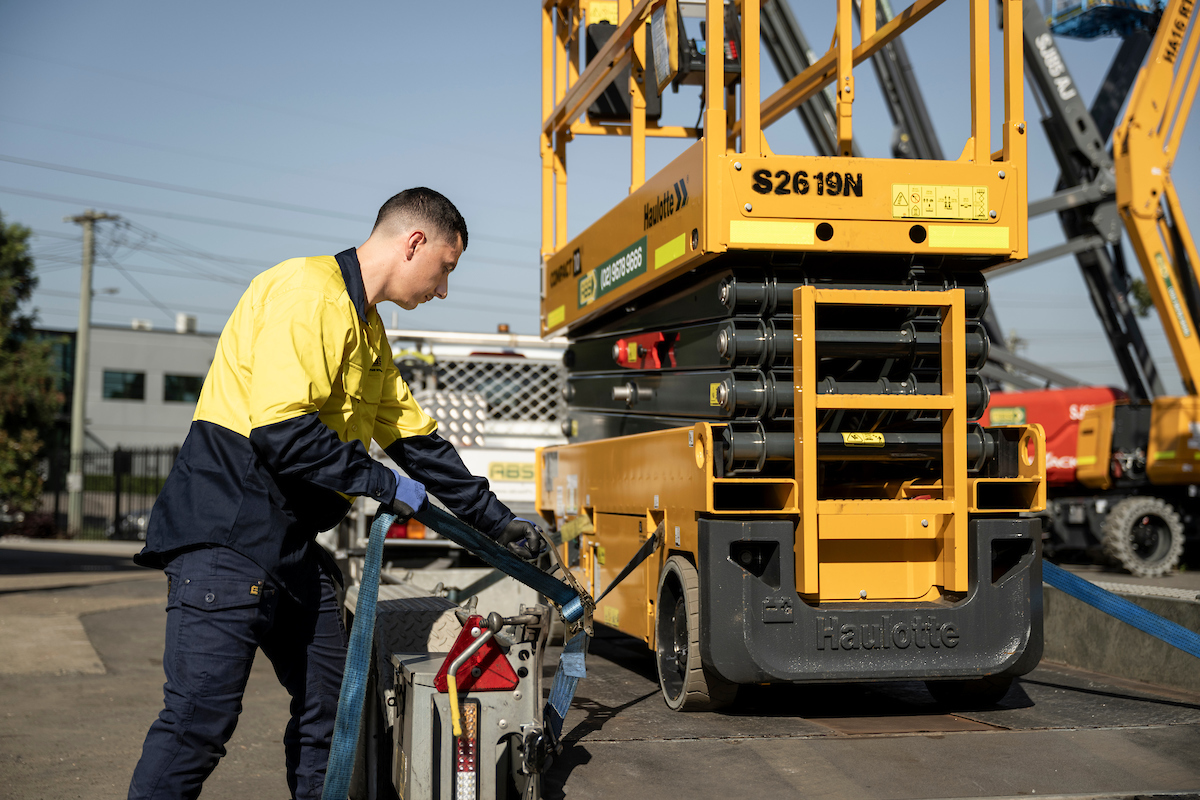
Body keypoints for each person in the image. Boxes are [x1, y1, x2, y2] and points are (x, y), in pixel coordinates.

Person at [128, 187, 545, 800]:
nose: (444, 288)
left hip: (291, 546)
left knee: (336, 706)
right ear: (414, 243)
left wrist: (498, 521)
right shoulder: (306, 293)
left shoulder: (368, 332)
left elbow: (416, 441)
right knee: (199, 724)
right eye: (446, 268)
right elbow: (282, 434)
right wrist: (382, 484)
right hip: (227, 537)